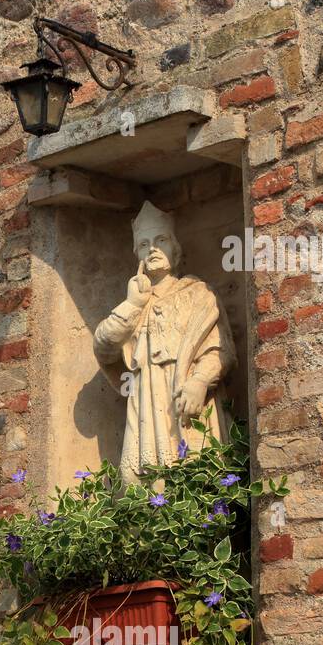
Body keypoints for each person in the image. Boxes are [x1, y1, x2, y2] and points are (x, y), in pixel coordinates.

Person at [93, 201, 236, 482]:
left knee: (198, 478)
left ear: (175, 246)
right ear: (137, 254)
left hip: (187, 399)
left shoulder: (199, 294)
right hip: (145, 403)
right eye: (144, 244)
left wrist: (200, 381)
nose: (153, 249)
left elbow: (220, 349)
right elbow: (104, 348)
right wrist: (133, 304)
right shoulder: (136, 302)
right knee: (139, 485)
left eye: (161, 240)